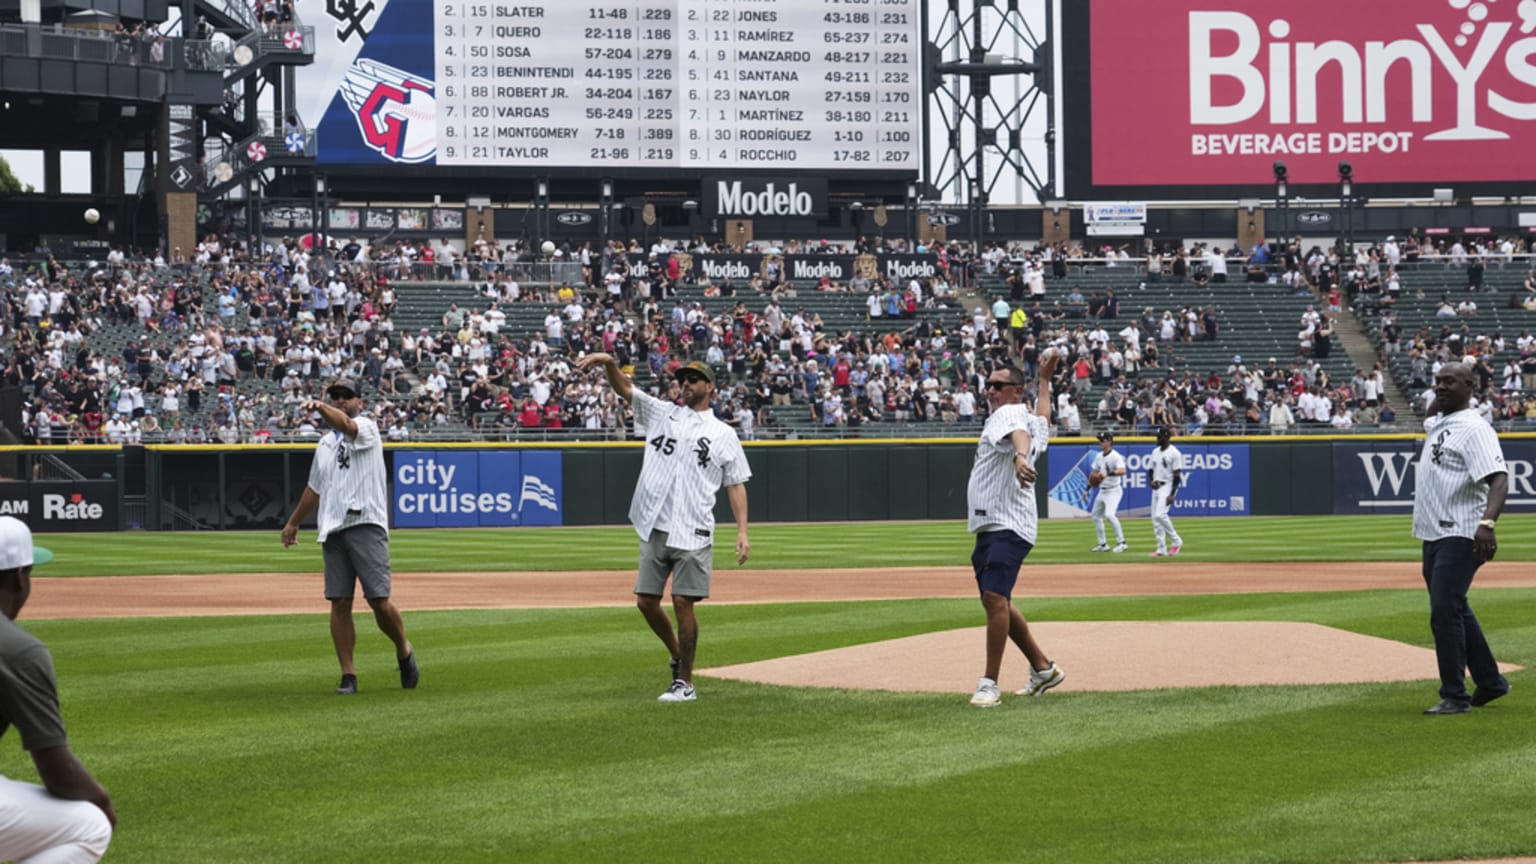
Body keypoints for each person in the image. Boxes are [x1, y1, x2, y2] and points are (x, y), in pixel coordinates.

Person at [575, 353, 751, 702]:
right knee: (645, 602)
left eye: (693, 379)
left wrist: (743, 531)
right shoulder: (661, 412)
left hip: (694, 526)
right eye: (682, 378)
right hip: (656, 523)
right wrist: (610, 362)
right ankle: (676, 654)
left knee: (683, 600)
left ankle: (685, 683)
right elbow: (625, 389)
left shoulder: (723, 433)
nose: (685, 383)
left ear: (709, 388)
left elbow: (736, 482)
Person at [281, 378, 418, 695]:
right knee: (339, 602)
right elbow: (314, 488)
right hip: (332, 528)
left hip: (365, 522)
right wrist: (292, 524)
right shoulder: (325, 445)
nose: (340, 400)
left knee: (378, 601)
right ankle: (348, 675)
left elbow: (345, 425)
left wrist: (323, 407)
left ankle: (403, 650)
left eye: (346, 396)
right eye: (334, 396)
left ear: (359, 401)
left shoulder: (367, 427)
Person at [0, 516, 115, 863]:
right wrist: (102, 802)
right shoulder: (17, 649)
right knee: (90, 825)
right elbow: (58, 772)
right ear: (19, 579)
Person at [965, 349, 1066, 707]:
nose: (989, 389)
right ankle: (1043, 668)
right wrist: (1044, 381)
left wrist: (1021, 456)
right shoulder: (1024, 414)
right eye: (988, 384)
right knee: (999, 601)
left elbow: (1020, 434)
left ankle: (989, 683)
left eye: (998, 384)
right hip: (999, 524)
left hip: (1006, 524)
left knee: (993, 599)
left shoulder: (1008, 414)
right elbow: (1042, 420)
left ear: (1014, 391)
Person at [1414, 362, 1510, 715]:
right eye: (1437, 381)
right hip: (1434, 532)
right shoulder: (1441, 423)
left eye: (1448, 382)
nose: (1439, 387)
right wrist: (1439, 398)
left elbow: (1499, 479)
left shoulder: (1474, 429)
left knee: (1444, 611)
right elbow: (1429, 415)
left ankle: (1454, 695)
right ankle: (1491, 682)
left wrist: (1488, 524)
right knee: (1454, 607)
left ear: (1470, 386)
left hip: (1462, 531)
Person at [1088, 431, 1129, 553]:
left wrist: (1107, 474)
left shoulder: (1115, 456)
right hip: (1103, 491)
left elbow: (1122, 471)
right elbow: (1093, 473)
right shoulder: (1099, 456)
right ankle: (1103, 544)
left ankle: (1122, 542)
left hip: (1114, 490)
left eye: (1102, 440)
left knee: (1110, 515)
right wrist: (1087, 489)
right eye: (1099, 440)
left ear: (1109, 442)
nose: (1099, 442)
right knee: (1095, 516)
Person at [1147, 426, 1184, 557]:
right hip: (1157, 486)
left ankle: (1176, 540)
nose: (1157, 439)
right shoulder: (1155, 451)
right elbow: (1150, 470)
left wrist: (1172, 494)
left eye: (1159, 437)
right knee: (1155, 519)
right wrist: (1151, 481)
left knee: (1160, 515)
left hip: (1167, 486)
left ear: (1167, 437)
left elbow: (1177, 475)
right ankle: (1161, 548)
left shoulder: (1174, 453)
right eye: (1157, 436)